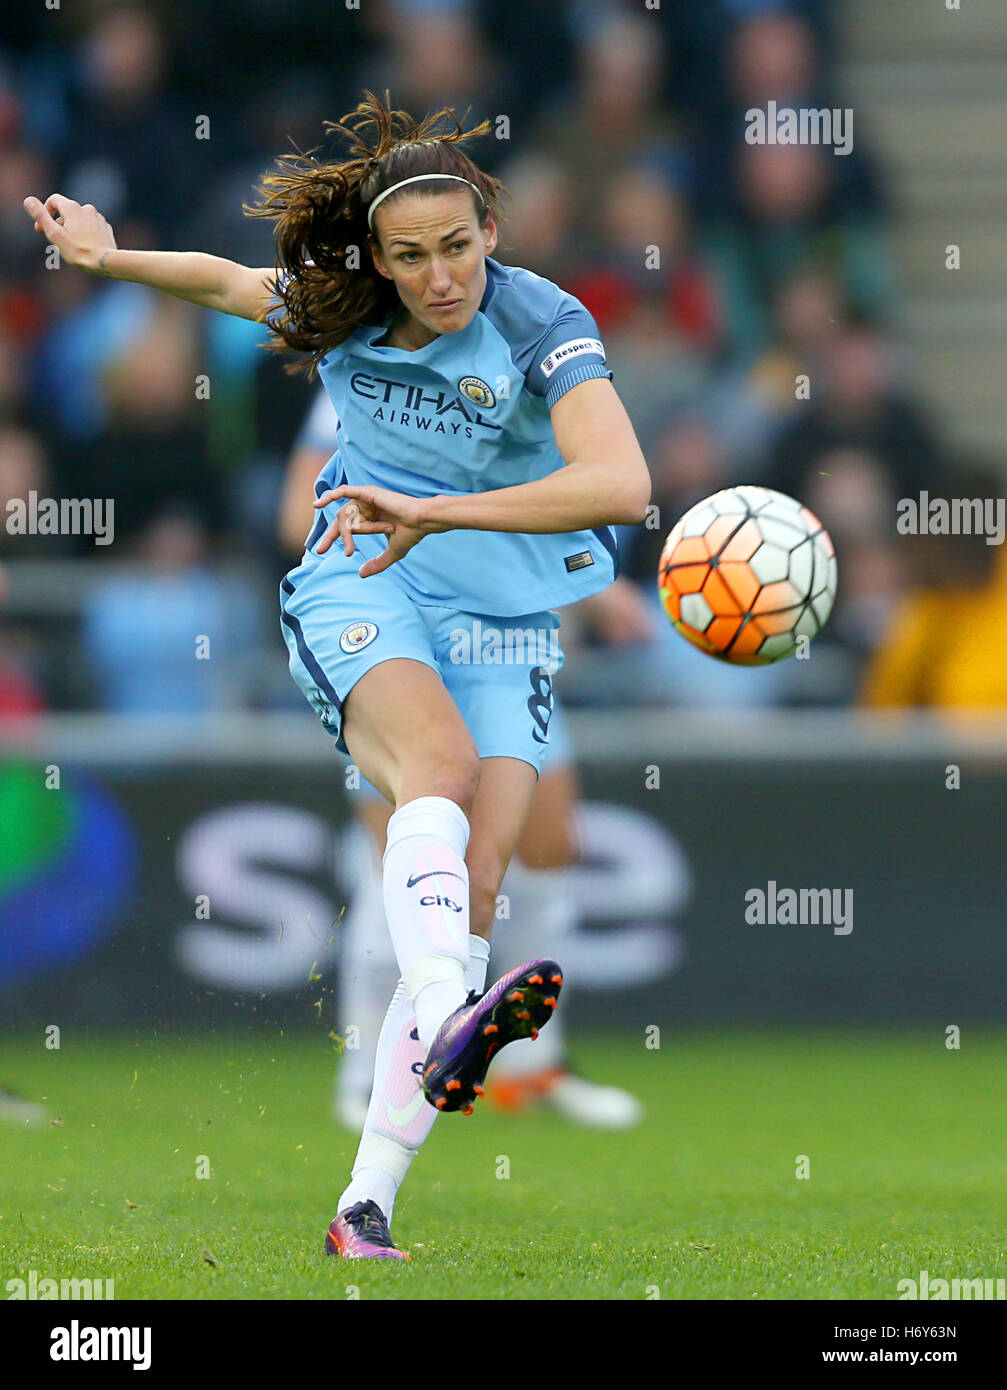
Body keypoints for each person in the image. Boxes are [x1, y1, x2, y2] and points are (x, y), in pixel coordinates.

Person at [24, 92, 651, 1261]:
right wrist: (109, 261)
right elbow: (222, 282)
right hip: (364, 573)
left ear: (490, 232)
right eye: (410, 257)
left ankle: (364, 1204)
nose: (440, 277)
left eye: (457, 248)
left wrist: (442, 509)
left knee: (471, 894)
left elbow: (620, 482)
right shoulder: (343, 308)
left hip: (504, 616)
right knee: (439, 767)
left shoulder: (539, 321)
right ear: (376, 258)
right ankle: (442, 1009)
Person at [281, 388, 646, 1131]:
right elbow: (299, 512)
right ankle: (370, 1075)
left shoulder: (537, 360)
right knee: (407, 860)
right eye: (418, 259)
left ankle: (531, 1066)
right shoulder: (372, 367)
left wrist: (588, 586)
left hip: (507, 642)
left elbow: (576, 498)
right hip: (402, 631)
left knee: (546, 851)